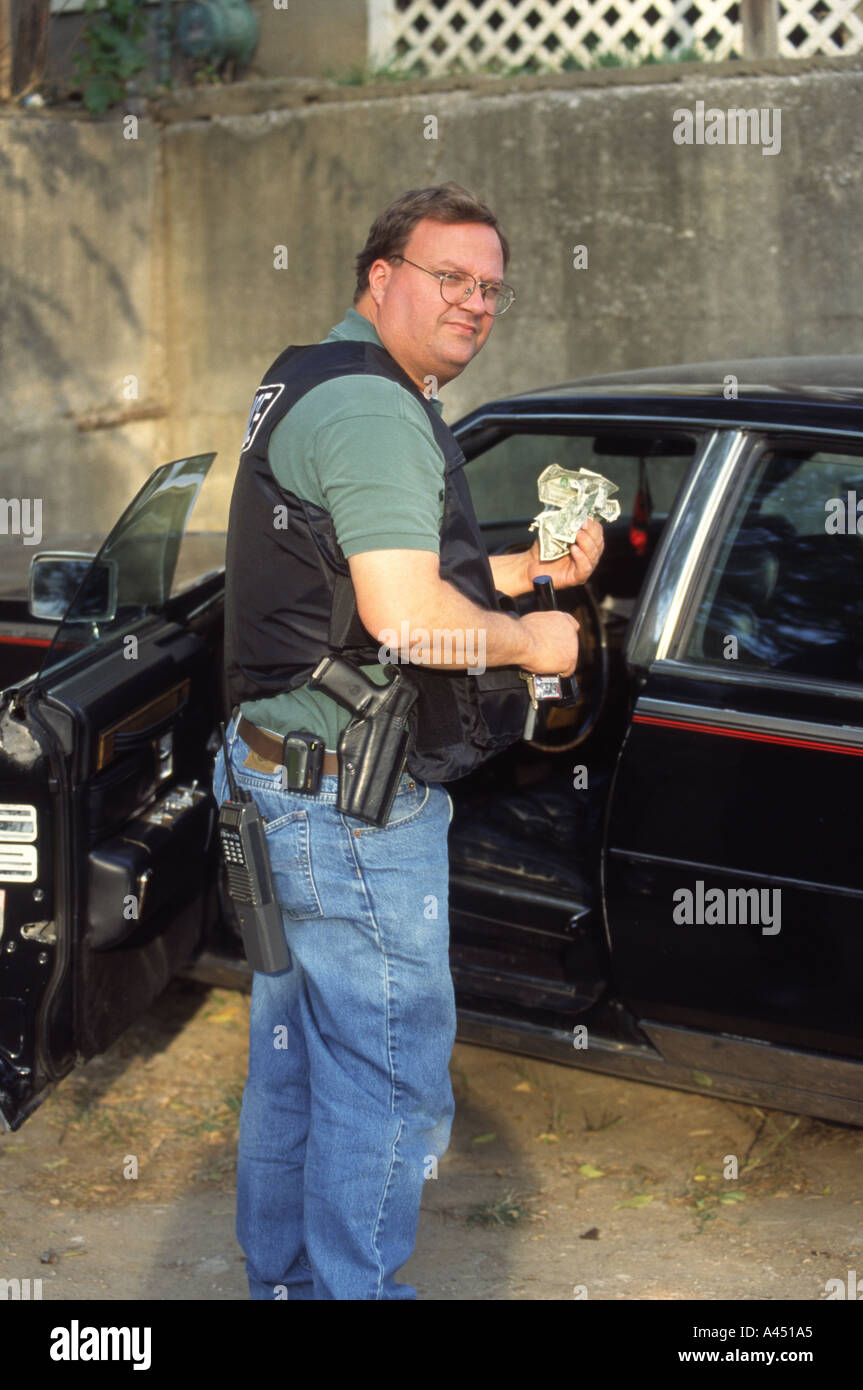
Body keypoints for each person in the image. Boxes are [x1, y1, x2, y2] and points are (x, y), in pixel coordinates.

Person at [213, 182, 604, 1300]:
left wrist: (530, 574)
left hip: (281, 781)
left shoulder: (317, 376)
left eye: (489, 287)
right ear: (378, 276)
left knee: (298, 1068)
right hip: (348, 808)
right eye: (449, 276)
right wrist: (532, 641)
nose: (475, 303)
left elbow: (356, 582)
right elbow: (405, 621)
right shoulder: (379, 409)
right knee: (384, 1082)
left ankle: (288, 1287)